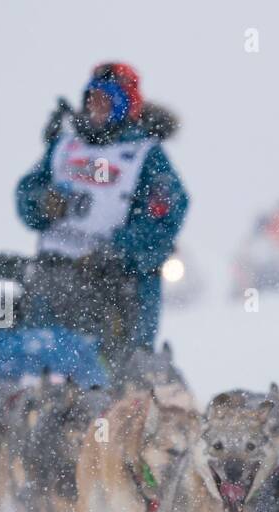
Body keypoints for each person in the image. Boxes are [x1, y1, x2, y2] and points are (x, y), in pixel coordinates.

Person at [16, 63, 187, 351]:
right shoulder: (65, 147)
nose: (96, 108)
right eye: (92, 99)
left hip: (117, 291)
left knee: (107, 377)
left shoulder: (145, 156)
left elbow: (165, 218)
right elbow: (26, 193)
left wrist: (118, 251)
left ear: (124, 108)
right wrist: (41, 202)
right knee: (41, 358)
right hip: (53, 278)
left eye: (106, 102)